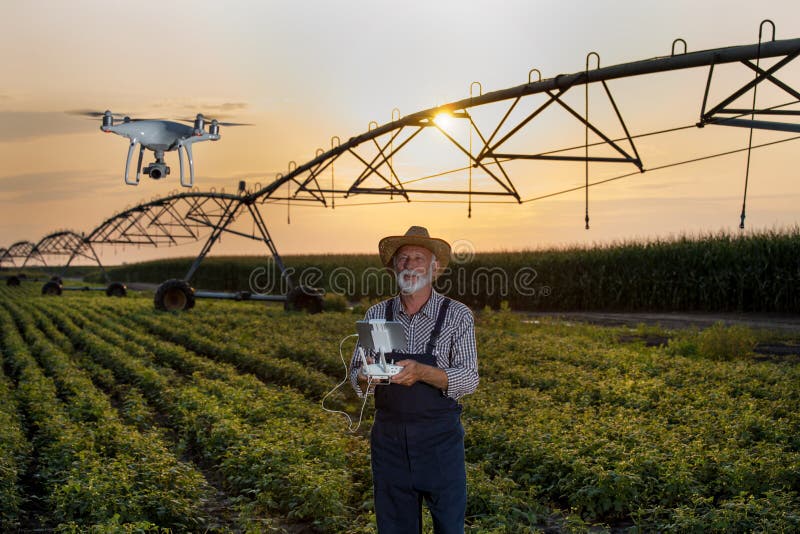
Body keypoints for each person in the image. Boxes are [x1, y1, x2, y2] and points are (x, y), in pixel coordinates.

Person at [350, 225, 479, 534]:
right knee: (394, 528)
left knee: (449, 527)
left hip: (439, 442)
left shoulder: (456, 315)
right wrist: (365, 376)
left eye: (418, 258)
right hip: (390, 441)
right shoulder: (378, 314)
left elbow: (469, 377)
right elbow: (356, 374)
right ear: (394, 266)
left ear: (434, 269)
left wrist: (423, 372)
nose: (409, 265)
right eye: (403, 258)